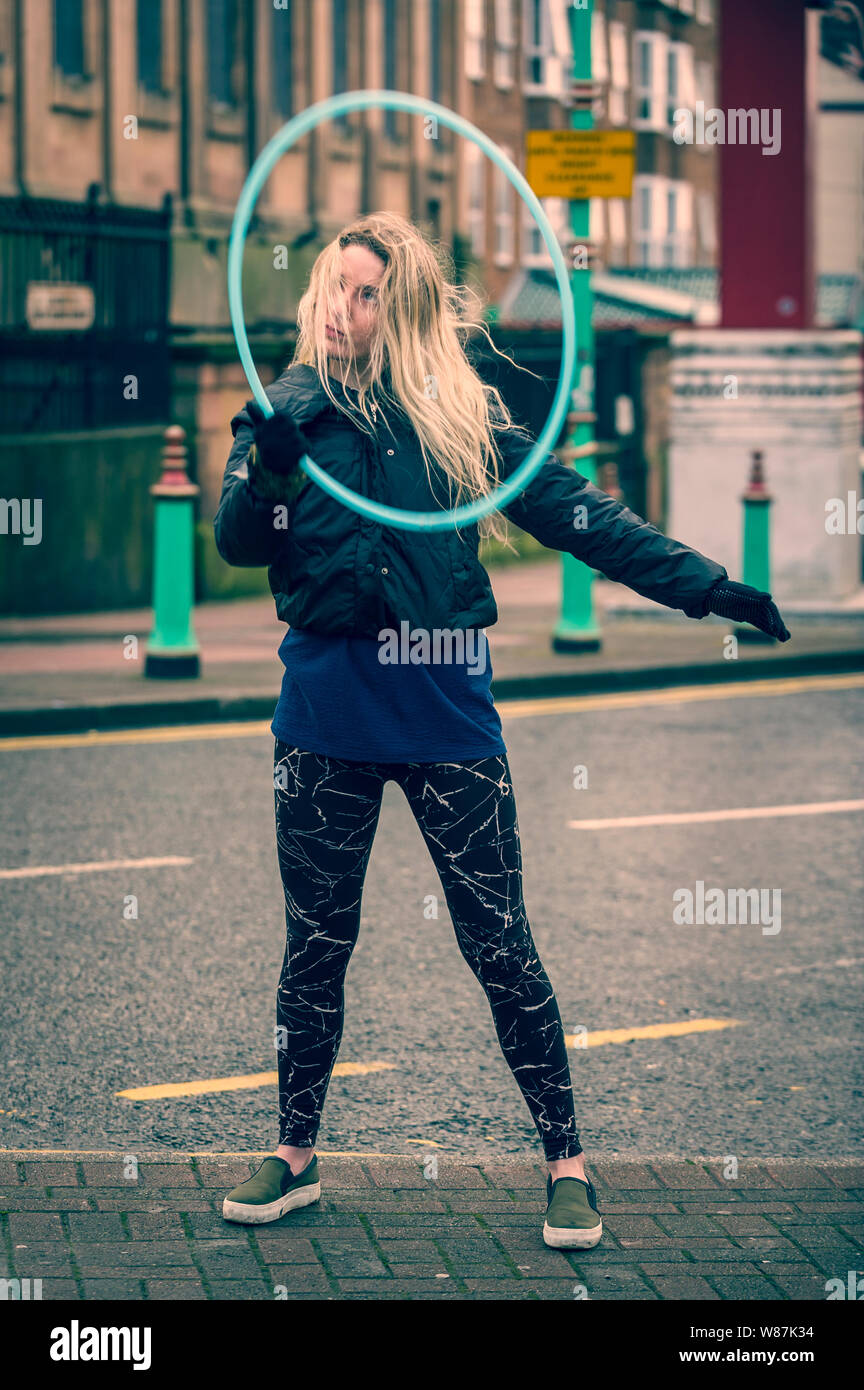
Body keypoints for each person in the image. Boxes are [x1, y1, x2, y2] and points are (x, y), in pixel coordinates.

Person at [214, 212, 790, 1250]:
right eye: (336, 288)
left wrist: (708, 588)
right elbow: (241, 542)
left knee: (502, 946)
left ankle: (567, 1162)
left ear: (407, 307)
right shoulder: (281, 413)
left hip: (442, 707)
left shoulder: (460, 418)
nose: (346, 310)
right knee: (316, 949)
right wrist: (275, 475)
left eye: (368, 292)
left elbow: (578, 516)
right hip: (323, 716)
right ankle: (294, 1153)